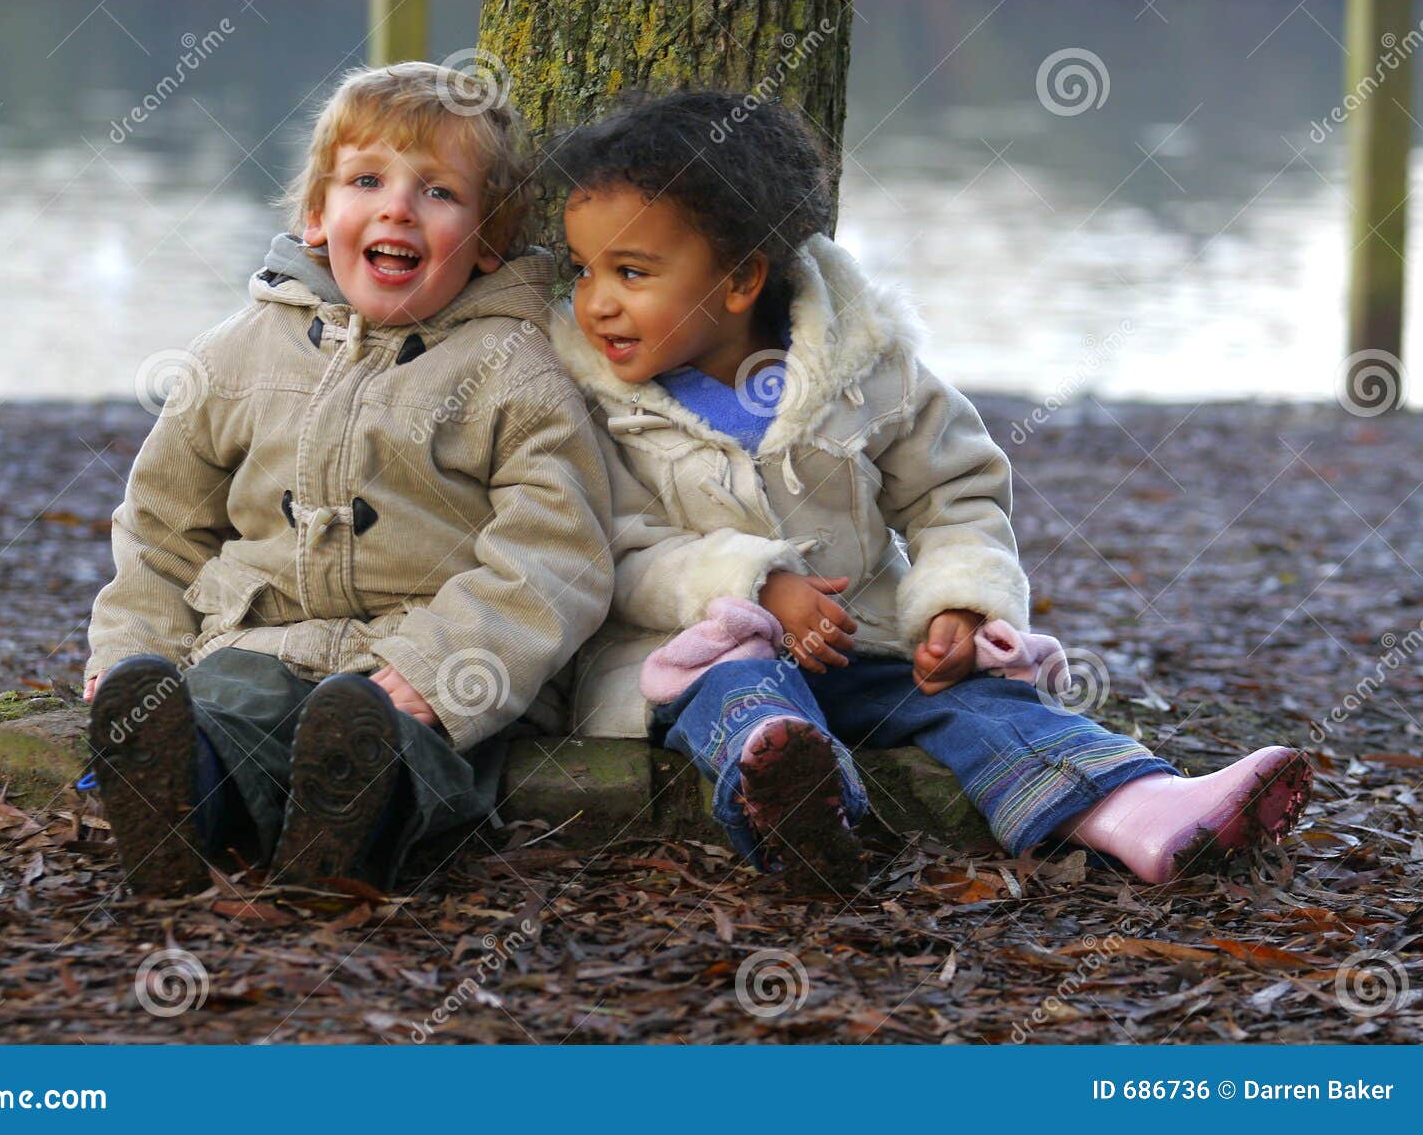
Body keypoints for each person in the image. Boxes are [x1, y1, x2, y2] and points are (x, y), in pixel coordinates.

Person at [547, 89, 1310, 895]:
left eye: (630, 272)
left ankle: (1149, 811)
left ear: (740, 280)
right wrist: (755, 585)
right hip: (690, 655)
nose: (595, 301)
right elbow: (610, 547)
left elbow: (957, 497)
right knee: (741, 690)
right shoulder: (594, 402)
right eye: (582, 270)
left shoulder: (868, 368)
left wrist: (957, 606)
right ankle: (796, 802)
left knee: (976, 700)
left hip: (860, 646)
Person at [81, 63, 612, 897]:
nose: (398, 207)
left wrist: (446, 667)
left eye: (438, 192)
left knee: (403, 750)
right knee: (221, 711)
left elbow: (557, 551)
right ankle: (177, 809)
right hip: (255, 638)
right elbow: (161, 519)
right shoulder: (241, 351)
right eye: (367, 180)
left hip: (415, 665)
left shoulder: (514, 368)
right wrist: (133, 651)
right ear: (318, 215)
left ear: (489, 238)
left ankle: (344, 846)